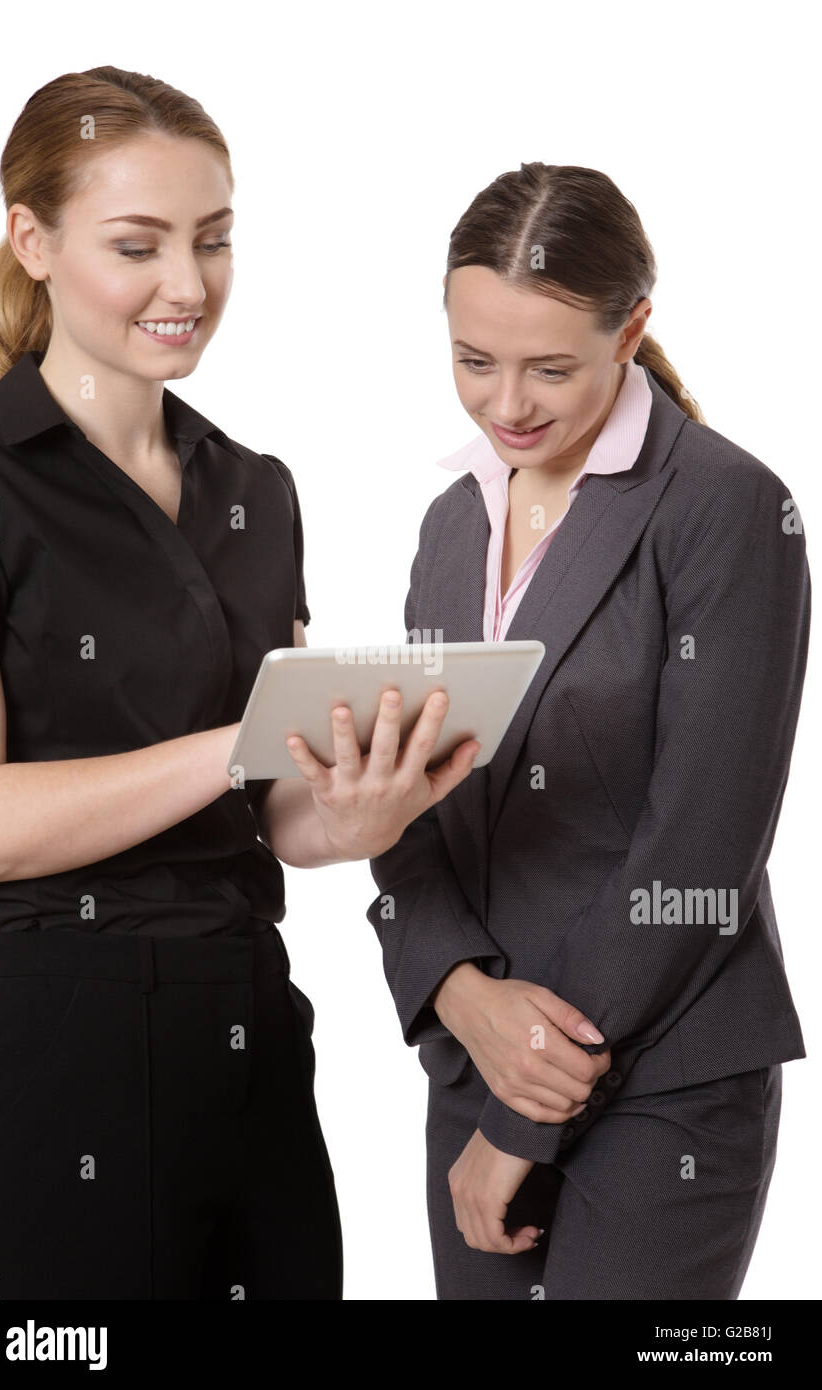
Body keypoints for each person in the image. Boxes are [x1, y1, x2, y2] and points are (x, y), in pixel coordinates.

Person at [0, 65, 482, 1301]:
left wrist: (362, 805)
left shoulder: (256, 487)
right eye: (136, 246)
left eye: (214, 240)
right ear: (30, 240)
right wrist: (241, 738)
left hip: (246, 1011)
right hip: (52, 1029)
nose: (187, 287)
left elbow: (280, 816)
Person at [366, 160, 811, 1300]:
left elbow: (701, 845)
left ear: (633, 331)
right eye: (473, 360)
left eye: (548, 367)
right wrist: (456, 987)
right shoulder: (448, 523)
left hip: (657, 1078)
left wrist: (528, 1101)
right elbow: (404, 800)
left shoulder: (721, 507)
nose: (505, 403)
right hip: (473, 1061)